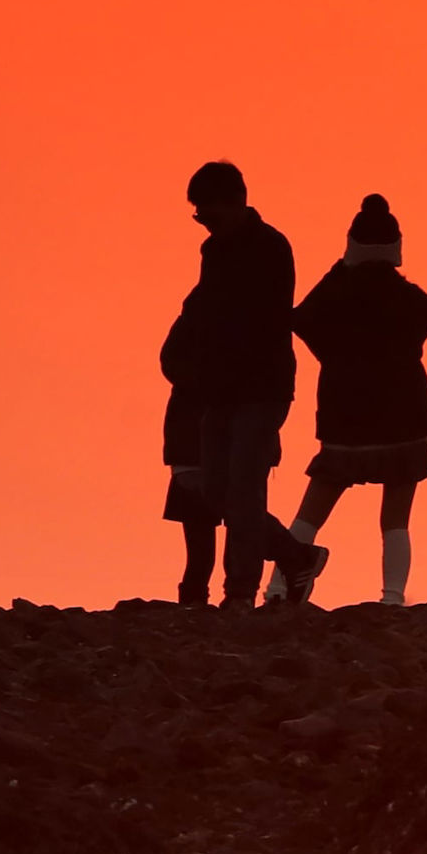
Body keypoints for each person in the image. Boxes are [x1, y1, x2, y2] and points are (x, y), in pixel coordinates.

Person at [157, 161, 327, 608]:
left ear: (234, 201)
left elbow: (256, 320)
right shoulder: (214, 251)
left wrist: (209, 356)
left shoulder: (271, 247)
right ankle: (294, 556)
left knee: (245, 489)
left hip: (260, 387)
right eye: (197, 214)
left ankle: (240, 594)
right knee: (215, 490)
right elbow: (206, 310)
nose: (202, 220)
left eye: (205, 211)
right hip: (220, 390)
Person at [282, 195, 427, 606]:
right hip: (404, 415)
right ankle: (393, 598)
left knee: (312, 508)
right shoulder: (408, 300)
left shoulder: (337, 293)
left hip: (344, 413)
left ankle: (278, 589)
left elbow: (301, 318)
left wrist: (333, 355)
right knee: (396, 518)